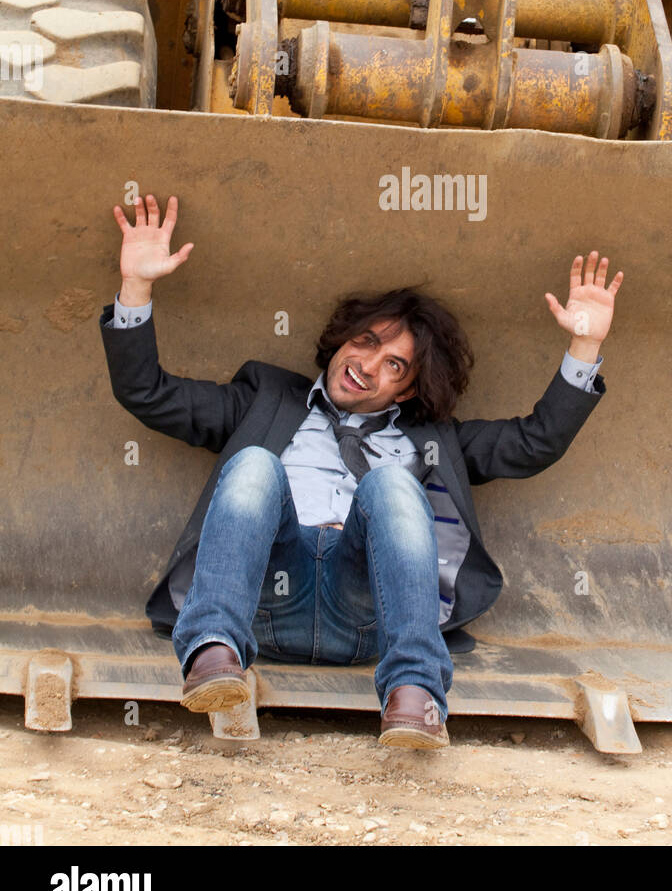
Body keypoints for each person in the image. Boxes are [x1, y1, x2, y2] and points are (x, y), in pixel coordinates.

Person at [100, 194, 622, 749]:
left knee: (393, 481)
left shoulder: (434, 441)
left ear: (411, 388)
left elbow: (534, 442)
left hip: (367, 609)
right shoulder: (264, 399)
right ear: (341, 340)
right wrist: (137, 286)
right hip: (265, 604)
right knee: (253, 463)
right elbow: (147, 393)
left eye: (393, 364)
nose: (366, 366)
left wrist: (584, 344)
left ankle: (414, 692)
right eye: (365, 342)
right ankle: (210, 653)